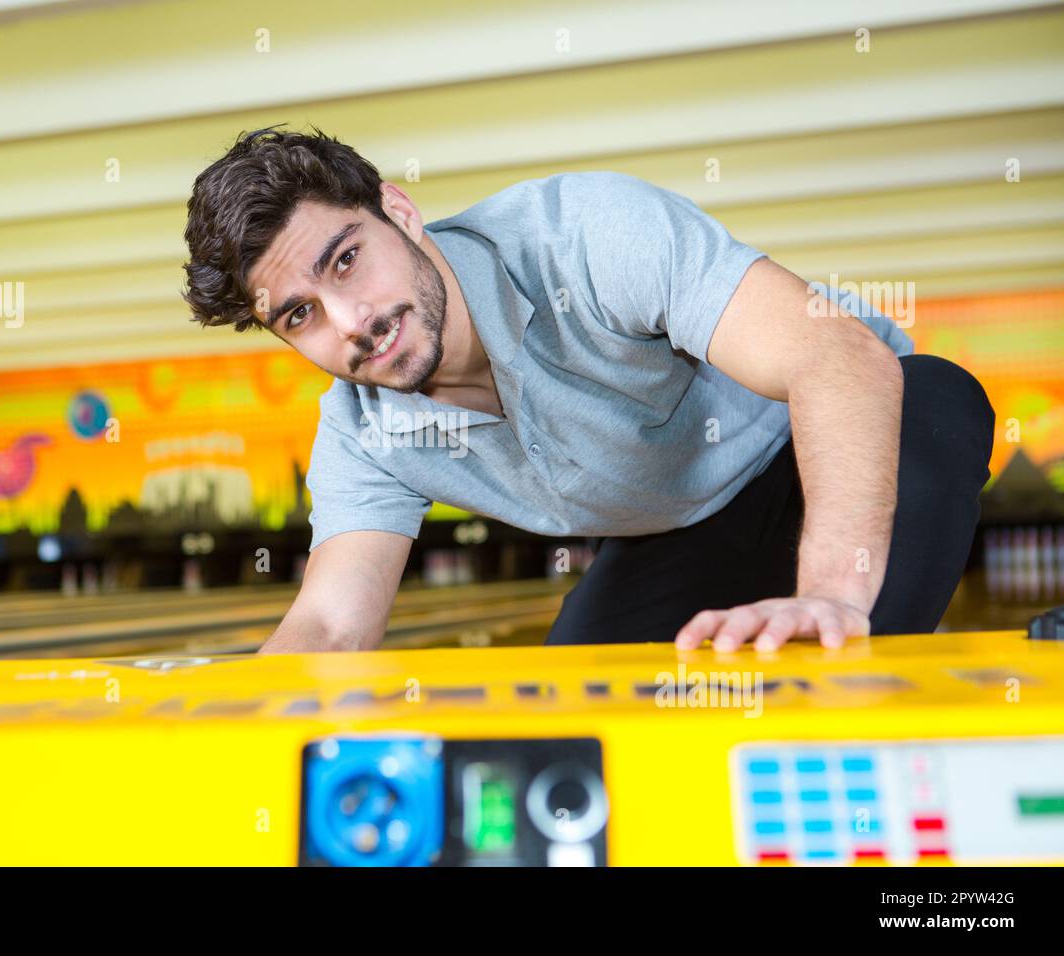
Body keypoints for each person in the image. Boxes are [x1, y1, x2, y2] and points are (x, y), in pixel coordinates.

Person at [182, 126, 994, 654]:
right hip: (683, 528)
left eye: (346, 260)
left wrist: (831, 596)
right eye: (300, 314)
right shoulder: (361, 432)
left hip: (846, 441)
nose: (351, 321)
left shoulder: (583, 236)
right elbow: (330, 625)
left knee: (933, 399)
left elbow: (833, 357)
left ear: (398, 211)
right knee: (573, 713)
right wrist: (227, 721)